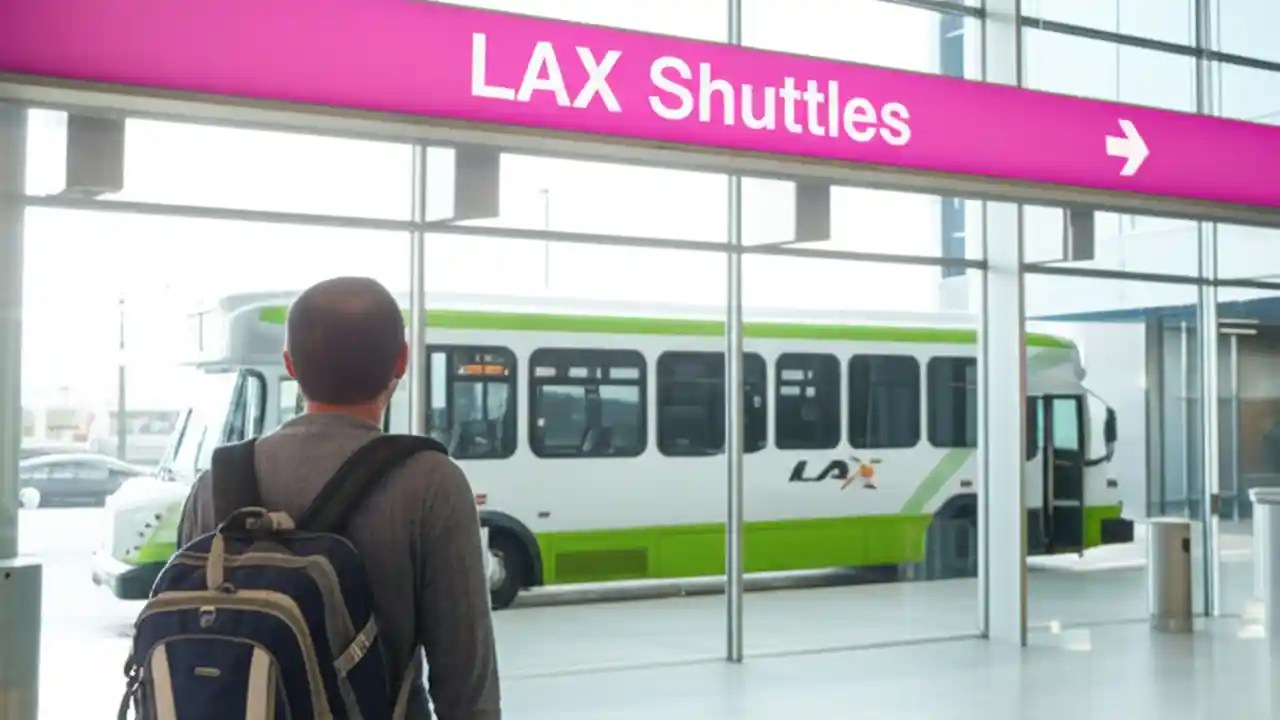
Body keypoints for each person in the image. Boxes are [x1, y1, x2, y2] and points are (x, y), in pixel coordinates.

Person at [176, 276, 502, 719]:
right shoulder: (431, 484)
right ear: (401, 360)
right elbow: (466, 682)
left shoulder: (214, 483)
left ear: (290, 364)